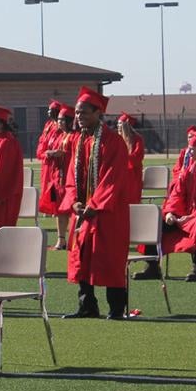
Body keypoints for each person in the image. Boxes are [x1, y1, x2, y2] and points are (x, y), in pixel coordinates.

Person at [63, 86, 132, 320]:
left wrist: (94, 204)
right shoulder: (78, 141)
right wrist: (74, 202)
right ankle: (87, 306)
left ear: (98, 113)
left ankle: (116, 309)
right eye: (78, 113)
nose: (79, 117)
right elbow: (71, 178)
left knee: (109, 259)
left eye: (84, 113)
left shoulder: (114, 143)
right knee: (81, 258)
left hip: (107, 213)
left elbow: (113, 178)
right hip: (83, 212)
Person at [137, 130, 196, 282]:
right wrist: (171, 213)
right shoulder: (187, 172)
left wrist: (190, 217)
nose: (188, 151)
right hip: (184, 216)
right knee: (155, 220)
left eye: (192, 149)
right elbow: (176, 195)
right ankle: (152, 266)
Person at [38, 102, 75, 249]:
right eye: (58, 120)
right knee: (59, 209)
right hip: (57, 176)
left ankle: (72, 238)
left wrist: (55, 153)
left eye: (62, 120)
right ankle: (61, 239)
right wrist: (50, 153)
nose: (59, 122)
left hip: (70, 177)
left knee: (71, 209)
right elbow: (47, 149)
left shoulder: (74, 136)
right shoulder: (59, 135)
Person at [0, 105, 24, 233]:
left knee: (0, 227)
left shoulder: (7, 142)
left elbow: (3, 172)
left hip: (1, 194)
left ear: (2, 124)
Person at [117, 112, 145, 206]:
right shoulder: (116, 138)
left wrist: (122, 157)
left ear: (126, 125)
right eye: (118, 123)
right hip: (119, 173)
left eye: (120, 123)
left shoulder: (137, 139)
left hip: (133, 174)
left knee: (133, 201)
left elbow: (137, 157)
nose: (118, 125)